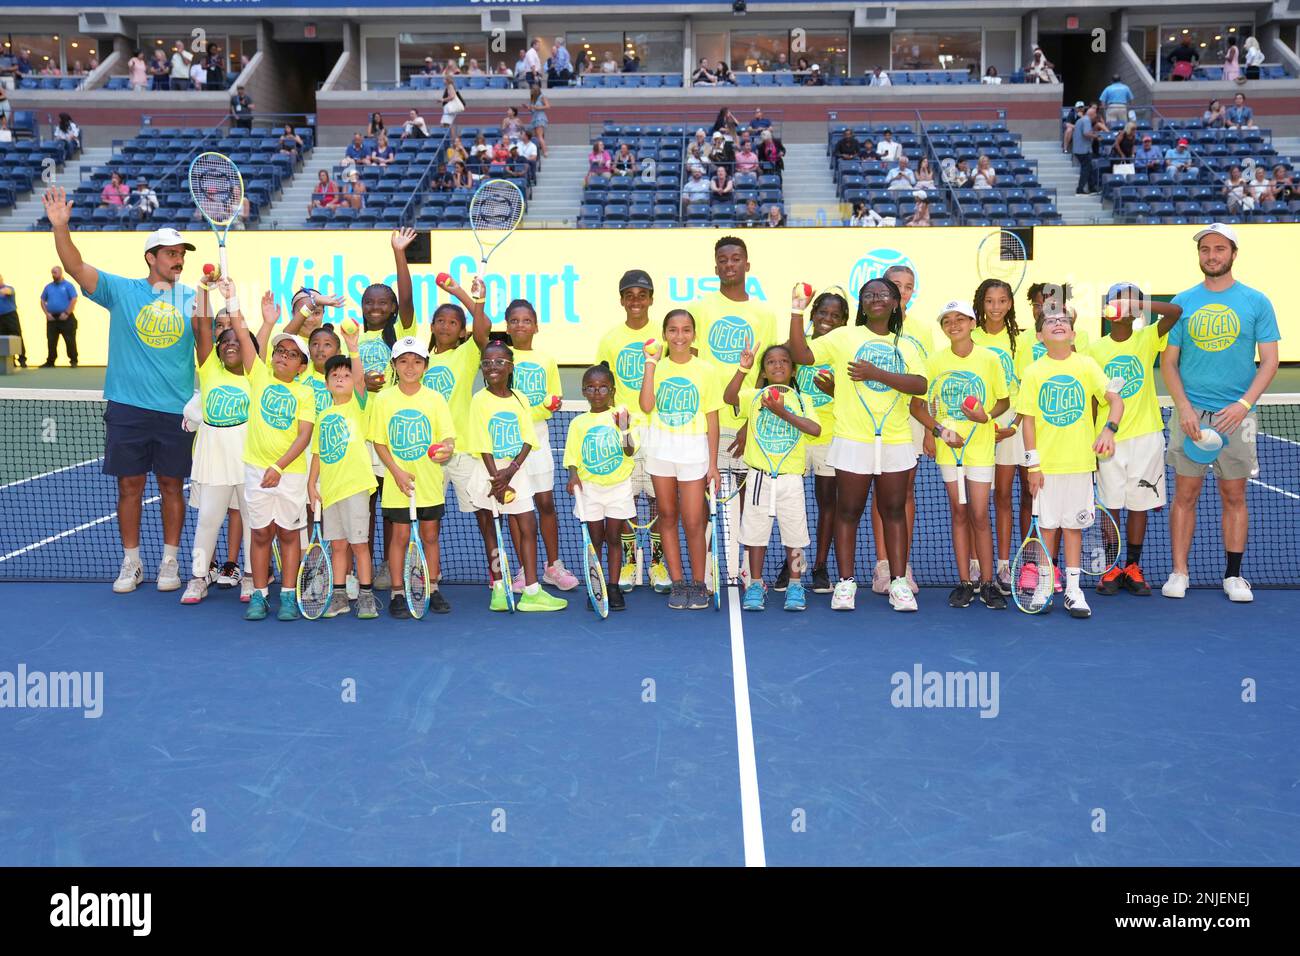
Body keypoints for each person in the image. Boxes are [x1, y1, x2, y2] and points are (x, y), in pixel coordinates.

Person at [44, 190, 199, 593]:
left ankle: (170, 561)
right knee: (129, 487)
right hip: (128, 407)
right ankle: (131, 562)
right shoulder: (121, 291)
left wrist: (220, 303)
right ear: (151, 257)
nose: (178, 259)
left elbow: (208, 351)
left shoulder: (195, 298)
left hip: (175, 410)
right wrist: (61, 226)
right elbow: (75, 265)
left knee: (170, 486)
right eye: (170, 253)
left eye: (181, 252)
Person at [788, 278, 928, 612]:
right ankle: (846, 584)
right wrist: (796, 310)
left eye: (883, 294)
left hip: (895, 439)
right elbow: (801, 354)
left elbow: (920, 384)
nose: (875, 299)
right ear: (862, 304)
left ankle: (898, 584)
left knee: (894, 512)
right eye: (868, 295)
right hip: (852, 439)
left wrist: (875, 374)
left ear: (896, 303)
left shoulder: (907, 346)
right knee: (847, 512)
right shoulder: (843, 337)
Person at [1163, 224, 1280, 602]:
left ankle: (1233, 576)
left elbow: (1270, 360)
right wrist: (1183, 408)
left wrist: (1243, 404)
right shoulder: (1183, 302)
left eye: (1219, 248)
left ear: (1233, 253)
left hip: (1237, 415)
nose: (1211, 255)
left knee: (1234, 495)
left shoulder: (1256, 301)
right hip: (1191, 415)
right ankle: (1179, 572)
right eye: (1205, 249)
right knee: (1185, 495)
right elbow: (1169, 363)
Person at [1018, 307, 1124, 619]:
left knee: (1074, 528)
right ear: (1040, 336)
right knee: (1047, 528)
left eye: (1063, 321)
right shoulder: (1034, 372)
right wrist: (1032, 466)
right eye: (1050, 322)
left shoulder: (1087, 365)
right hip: (1046, 468)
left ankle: (1075, 591)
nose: (1058, 324)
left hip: (1080, 465)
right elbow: (1027, 423)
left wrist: (1109, 429)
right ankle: (1046, 585)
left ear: (1074, 334)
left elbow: (1115, 401)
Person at [909, 300, 1010, 609]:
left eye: (960, 319)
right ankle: (966, 582)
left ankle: (988, 582)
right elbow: (917, 406)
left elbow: (1003, 402)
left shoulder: (989, 360)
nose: (953, 325)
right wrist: (939, 432)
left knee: (979, 514)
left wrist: (985, 418)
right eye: (947, 321)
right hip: (948, 450)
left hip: (980, 449)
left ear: (972, 323)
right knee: (958, 512)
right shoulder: (933, 362)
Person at [1088, 283, 1184, 598]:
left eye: (1130, 300)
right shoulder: (1095, 349)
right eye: (1118, 299)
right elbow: (1092, 399)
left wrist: (1141, 304)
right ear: (1107, 309)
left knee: (1139, 505)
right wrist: (1090, 437)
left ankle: (1132, 565)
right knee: (1111, 506)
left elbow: (1175, 312)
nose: (1124, 305)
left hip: (1146, 436)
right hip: (1109, 440)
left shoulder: (1147, 338)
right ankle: (1112, 566)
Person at [467, 338, 567, 612]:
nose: (493, 367)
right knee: (490, 531)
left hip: (514, 473)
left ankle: (532, 591)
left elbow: (528, 437)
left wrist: (510, 471)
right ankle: (498, 589)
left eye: (499, 362)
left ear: (511, 367)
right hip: (488, 474)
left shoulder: (520, 398)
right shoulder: (479, 400)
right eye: (487, 363)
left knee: (528, 527)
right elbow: (481, 441)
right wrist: (496, 478)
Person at [723, 343, 822, 612]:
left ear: (792, 370)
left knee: (796, 538)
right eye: (771, 362)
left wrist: (782, 412)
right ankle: (755, 583)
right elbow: (729, 397)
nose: (777, 365)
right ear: (764, 371)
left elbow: (814, 428)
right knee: (755, 536)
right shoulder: (755, 397)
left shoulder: (802, 400)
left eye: (784, 362)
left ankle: (796, 584)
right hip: (758, 478)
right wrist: (743, 368)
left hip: (791, 480)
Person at [180, 275, 258, 606]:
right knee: (208, 521)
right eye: (223, 341)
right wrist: (203, 288)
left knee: (254, 522)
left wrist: (234, 298)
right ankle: (198, 578)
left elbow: (243, 335)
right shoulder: (210, 370)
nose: (229, 344)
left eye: (236, 341)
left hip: (248, 459)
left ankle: (253, 578)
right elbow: (201, 327)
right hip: (213, 459)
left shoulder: (258, 375)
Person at [368, 335, 457, 619]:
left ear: (425, 365)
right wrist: (395, 472)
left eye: (416, 361)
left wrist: (446, 450)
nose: (410, 366)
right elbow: (379, 442)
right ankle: (397, 591)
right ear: (394, 364)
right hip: (398, 482)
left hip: (429, 480)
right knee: (400, 536)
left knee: (431, 535)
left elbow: (448, 439)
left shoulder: (435, 399)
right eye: (404, 361)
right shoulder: (383, 399)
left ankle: (432, 588)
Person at [638, 310, 722, 610]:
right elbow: (646, 404)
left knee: (693, 520)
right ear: (664, 334)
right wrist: (650, 365)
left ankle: (698, 583)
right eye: (673, 330)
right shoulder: (656, 367)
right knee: (668, 517)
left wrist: (712, 465)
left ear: (694, 335)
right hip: (661, 451)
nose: (679, 336)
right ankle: (677, 583)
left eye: (686, 330)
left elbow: (713, 420)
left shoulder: (706, 371)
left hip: (693, 454)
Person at [502, 299, 580, 593]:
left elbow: (552, 403)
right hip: (508, 443)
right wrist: (525, 414)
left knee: (545, 503)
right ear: (507, 326)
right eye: (514, 320)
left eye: (526, 320)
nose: (520, 325)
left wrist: (535, 411)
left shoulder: (546, 360)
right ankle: (525, 570)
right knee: (515, 505)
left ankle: (552, 566)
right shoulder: (503, 357)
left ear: (536, 326)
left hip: (538, 441)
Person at [596, 270, 666, 593]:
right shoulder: (610, 339)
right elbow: (604, 384)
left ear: (651, 298)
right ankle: (628, 560)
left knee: (658, 502)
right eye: (629, 295)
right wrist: (609, 423)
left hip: (660, 430)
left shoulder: (663, 335)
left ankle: (656, 561)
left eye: (642, 294)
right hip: (623, 430)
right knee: (623, 500)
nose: (636, 300)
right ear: (621, 300)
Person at [564, 364, 636, 612]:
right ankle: (596, 584)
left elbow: (629, 450)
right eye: (591, 388)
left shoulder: (622, 415)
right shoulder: (578, 423)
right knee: (595, 540)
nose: (597, 392)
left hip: (618, 487)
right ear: (583, 391)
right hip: (590, 490)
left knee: (614, 537)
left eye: (603, 387)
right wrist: (573, 477)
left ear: (612, 390)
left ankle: (613, 587)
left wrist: (624, 429)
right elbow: (572, 457)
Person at [39, 265, 78, 368]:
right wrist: (47, 314)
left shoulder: (68, 285)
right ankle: (50, 361)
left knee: (70, 340)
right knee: (51, 340)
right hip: (52, 318)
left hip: (66, 318)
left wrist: (66, 313)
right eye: (52, 272)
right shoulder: (48, 287)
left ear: (61, 273)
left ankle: (73, 360)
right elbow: (42, 300)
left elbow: (74, 299)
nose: (53, 274)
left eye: (55, 272)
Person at [1071, 104, 1097, 195]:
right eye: (1095, 114)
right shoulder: (1087, 121)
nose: (1095, 116)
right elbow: (1086, 133)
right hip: (1084, 149)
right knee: (1086, 169)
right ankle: (1080, 189)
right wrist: (1096, 136)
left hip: (1078, 149)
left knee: (1089, 168)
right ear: (1092, 115)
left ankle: (1092, 187)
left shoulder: (1080, 120)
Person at [0, 274, 25, 367]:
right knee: (3, 339)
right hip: (0, 318)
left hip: (10, 316)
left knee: (16, 336)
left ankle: (22, 359)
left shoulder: (9, 288)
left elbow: (7, 291)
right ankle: (10, 361)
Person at [522, 85, 549, 158]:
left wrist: (537, 107)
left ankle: (545, 151)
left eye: (532, 90)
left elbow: (547, 106)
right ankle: (539, 150)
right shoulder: (533, 99)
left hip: (540, 117)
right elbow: (532, 110)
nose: (531, 92)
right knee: (536, 136)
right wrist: (528, 107)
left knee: (540, 136)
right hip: (534, 117)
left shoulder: (542, 97)